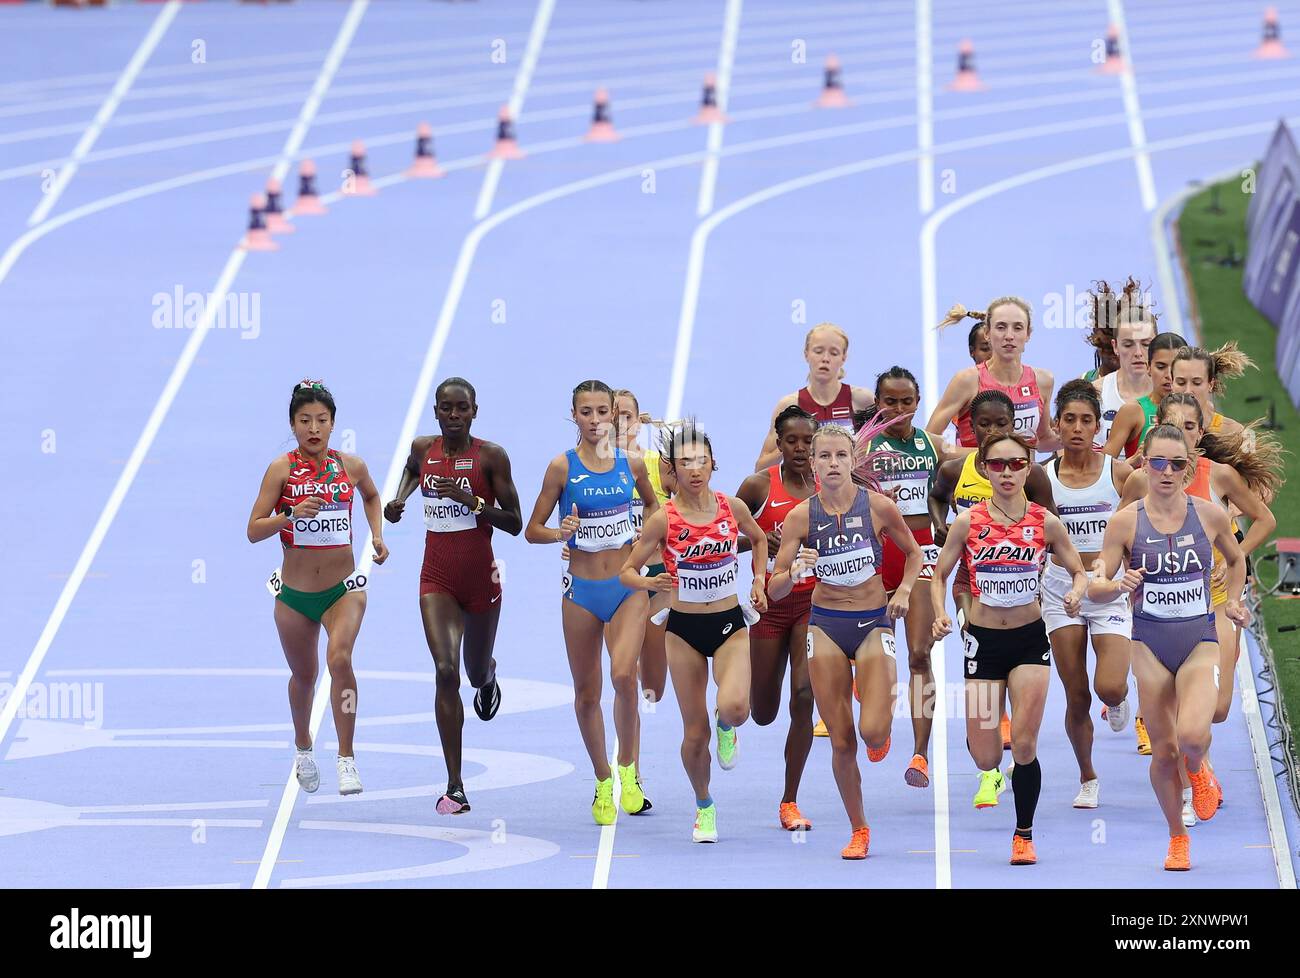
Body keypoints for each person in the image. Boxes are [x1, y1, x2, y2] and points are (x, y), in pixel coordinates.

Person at [1090, 424, 1249, 871]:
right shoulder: (1126, 521)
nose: (1166, 471)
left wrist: (1233, 600)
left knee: (1194, 737)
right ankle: (1177, 838)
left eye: (1176, 464)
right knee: (1164, 751)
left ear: (1189, 468)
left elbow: (1236, 560)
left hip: (1199, 639)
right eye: (1157, 461)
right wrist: (1116, 584)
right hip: (1149, 644)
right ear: (1143, 462)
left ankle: (1199, 772)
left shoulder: (1209, 515)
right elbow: (1098, 583)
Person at [1121, 394, 1281, 821]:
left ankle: (1198, 758)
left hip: (1214, 601)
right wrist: (1119, 578)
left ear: (1199, 433)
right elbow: (1121, 536)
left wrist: (1232, 563)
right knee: (1175, 718)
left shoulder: (1219, 478)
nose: (1182, 436)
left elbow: (1263, 521)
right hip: (1158, 617)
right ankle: (1193, 784)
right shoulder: (1142, 481)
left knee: (1220, 708)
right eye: (1172, 427)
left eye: (1190, 428)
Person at [931, 432, 1089, 865]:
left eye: (1016, 464)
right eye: (997, 464)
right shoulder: (968, 522)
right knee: (986, 756)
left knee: (1023, 745)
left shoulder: (1045, 522)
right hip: (983, 642)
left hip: (1028, 640)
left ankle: (1023, 834)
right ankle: (992, 773)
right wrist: (940, 615)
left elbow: (1078, 571)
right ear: (983, 467)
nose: (1006, 472)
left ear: (1028, 468)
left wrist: (1076, 593)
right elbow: (939, 575)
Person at [769, 423, 922, 859]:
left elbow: (914, 554)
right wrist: (796, 573)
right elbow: (775, 587)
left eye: (840, 455)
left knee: (873, 733)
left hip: (873, 622)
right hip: (825, 625)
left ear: (852, 460)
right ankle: (859, 829)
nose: (833, 463)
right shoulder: (800, 517)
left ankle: (879, 724)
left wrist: (906, 592)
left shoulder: (878, 507)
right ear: (813, 463)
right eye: (824, 456)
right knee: (841, 740)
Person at [621, 423, 768, 843]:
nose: (695, 469)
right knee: (693, 734)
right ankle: (704, 805)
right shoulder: (662, 519)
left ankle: (728, 723)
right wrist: (652, 584)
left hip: (728, 625)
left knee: (737, 707)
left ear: (713, 463)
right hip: (682, 630)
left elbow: (759, 541)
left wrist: (758, 580)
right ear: (672, 469)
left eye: (701, 460)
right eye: (685, 462)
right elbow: (627, 571)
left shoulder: (731, 507)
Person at [524, 380, 661, 825]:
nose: (598, 420)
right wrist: (560, 533)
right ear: (575, 415)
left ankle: (630, 772)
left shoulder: (633, 464)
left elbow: (657, 515)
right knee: (587, 692)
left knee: (624, 675)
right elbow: (532, 529)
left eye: (605, 412)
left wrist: (645, 541)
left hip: (626, 588)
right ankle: (603, 779)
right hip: (581, 593)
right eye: (588, 412)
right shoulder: (561, 469)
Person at [384, 377, 522, 814]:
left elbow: (516, 522)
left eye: (462, 408)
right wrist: (398, 500)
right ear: (436, 411)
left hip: (482, 578)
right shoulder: (424, 448)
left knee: (474, 671)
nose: (454, 415)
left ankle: (489, 676)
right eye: (446, 408)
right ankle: (455, 785)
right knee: (446, 670)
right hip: (436, 577)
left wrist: (473, 502)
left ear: (474, 411)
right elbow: (410, 469)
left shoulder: (492, 456)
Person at [246, 380, 388, 796]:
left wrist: (376, 536)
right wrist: (289, 515)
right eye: (305, 420)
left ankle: (347, 758)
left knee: (339, 659)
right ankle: (304, 746)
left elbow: (372, 496)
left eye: (321, 420)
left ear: (332, 424)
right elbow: (253, 530)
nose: (313, 428)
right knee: (304, 675)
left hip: (343, 590)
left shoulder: (351, 466)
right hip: (294, 595)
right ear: (292, 424)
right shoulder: (281, 470)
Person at [928, 390, 1056, 761]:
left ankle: (1007, 727)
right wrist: (941, 526)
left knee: (1005, 639)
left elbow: (1050, 524)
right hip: (970, 579)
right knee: (974, 630)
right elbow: (935, 496)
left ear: (1012, 425)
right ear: (971, 427)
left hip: (1015, 574)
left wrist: (1032, 559)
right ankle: (988, 727)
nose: (991, 430)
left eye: (1000, 423)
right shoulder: (956, 468)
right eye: (983, 423)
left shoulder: (1029, 475)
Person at [1044, 381, 1135, 808]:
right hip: (1062, 591)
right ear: (1055, 424)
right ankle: (1087, 776)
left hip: (1108, 588)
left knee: (1111, 687)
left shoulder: (1117, 473)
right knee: (1076, 693)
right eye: (1069, 420)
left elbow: (1144, 520)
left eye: (1086, 420)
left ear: (1098, 426)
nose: (1078, 428)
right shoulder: (1040, 477)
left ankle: (1118, 702)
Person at [861, 367, 952, 788]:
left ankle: (919, 754)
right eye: (889, 402)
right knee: (874, 657)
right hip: (876, 559)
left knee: (919, 654)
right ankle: (876, 722)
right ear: (877, 404)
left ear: (917, 403)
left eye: (906, 401)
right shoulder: (861, 449)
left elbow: (965, 476)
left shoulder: (932, 445)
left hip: (922, 558)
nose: (898, 410)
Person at [736, 405, 819, 830]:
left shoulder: (830, 486)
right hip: (770, 606)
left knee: (804, 698)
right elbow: (723, 534)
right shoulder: (758, 486)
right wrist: (758, 542)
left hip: (813, 606)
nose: (801, 449)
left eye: (808, 441)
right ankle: (728, 714)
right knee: (762, 712)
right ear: (778, 442)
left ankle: (789, 800)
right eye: (792, 441)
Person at [927, 297, 1059, 451]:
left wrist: (1083, 440)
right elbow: (929, 442)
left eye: (1017, 328)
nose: (1009, 335)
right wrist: (985, 456)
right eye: (1001, 327)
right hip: (973, 474)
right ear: (987, 333)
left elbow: (1042, 440)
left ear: (1028, 333)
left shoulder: (1043, 381)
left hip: (1022, 475)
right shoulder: (967, 380)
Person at [612, 389, 675, 705]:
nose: (619, 423)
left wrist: (659, 536)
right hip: (614, 580)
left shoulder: (659, 465)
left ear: (638, 422)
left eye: (626, 416)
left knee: (653, 689)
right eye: (613, 416)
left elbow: (692, 511)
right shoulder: (589, 469)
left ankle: (641, 662)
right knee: (620, 677)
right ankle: (626, 753)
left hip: (657, 575)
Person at [754, 323, 874, 470]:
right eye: (818, 351)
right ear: (806, 354)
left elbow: (882, 451)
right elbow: (760, 467)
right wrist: (790, 444)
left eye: (834, 353)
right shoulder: (790, 405)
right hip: (806, 491)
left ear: (844, 358)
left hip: (850, 489)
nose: (825, 358)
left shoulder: (861, 400)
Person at [1088, 280, 1157, 449]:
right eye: (1128, 344)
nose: (1138, 352)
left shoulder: (1173, 395)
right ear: (1115, 346)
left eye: (1146, 344)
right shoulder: (1094, 393)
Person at [1102, 332, 1188, 462]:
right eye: (1161, 367)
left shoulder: (1196, 412)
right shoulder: (1132, 411)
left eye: (1175, 367)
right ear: (1148, 367)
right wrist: (1132, 462)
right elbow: (1103, 469)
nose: (1169, 375)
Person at [1170, 343, 1254, 440]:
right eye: (1181, 382)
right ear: (1171, 384)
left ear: (1211, 385)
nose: (1188, 391)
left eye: (1197, 383)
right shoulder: (1156, 428)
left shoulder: (1234, 432)